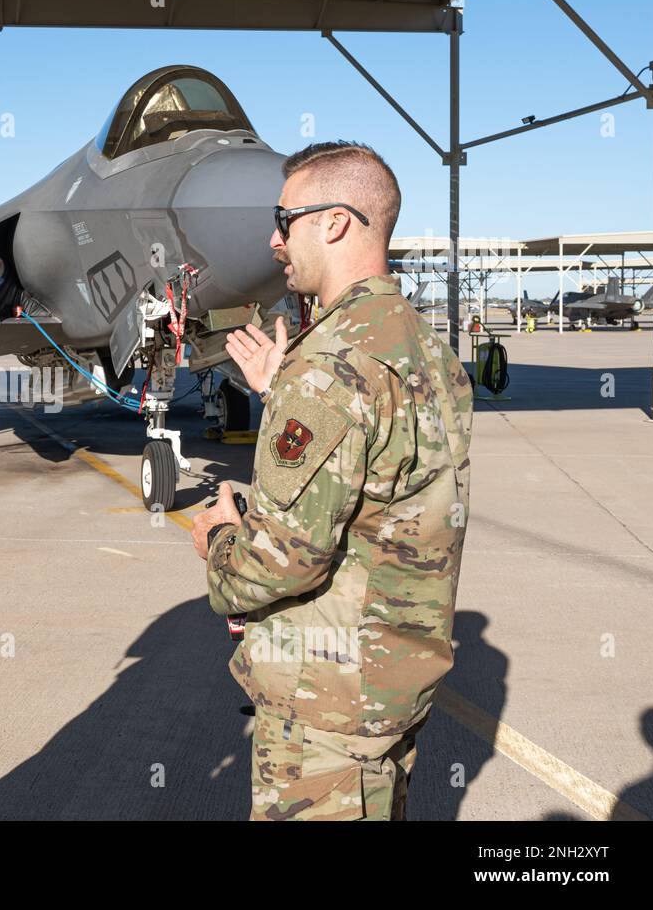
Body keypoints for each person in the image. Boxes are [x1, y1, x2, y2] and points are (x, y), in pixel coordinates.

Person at [191, 141, 473, 821]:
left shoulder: (330, 365)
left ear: (336, 222)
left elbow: (282, 561)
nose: (274, 240)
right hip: (387, 687)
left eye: (284, 220)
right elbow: (382, 474)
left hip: (326, 710)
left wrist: (220, 541)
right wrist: (280, 390)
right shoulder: (423, 347)